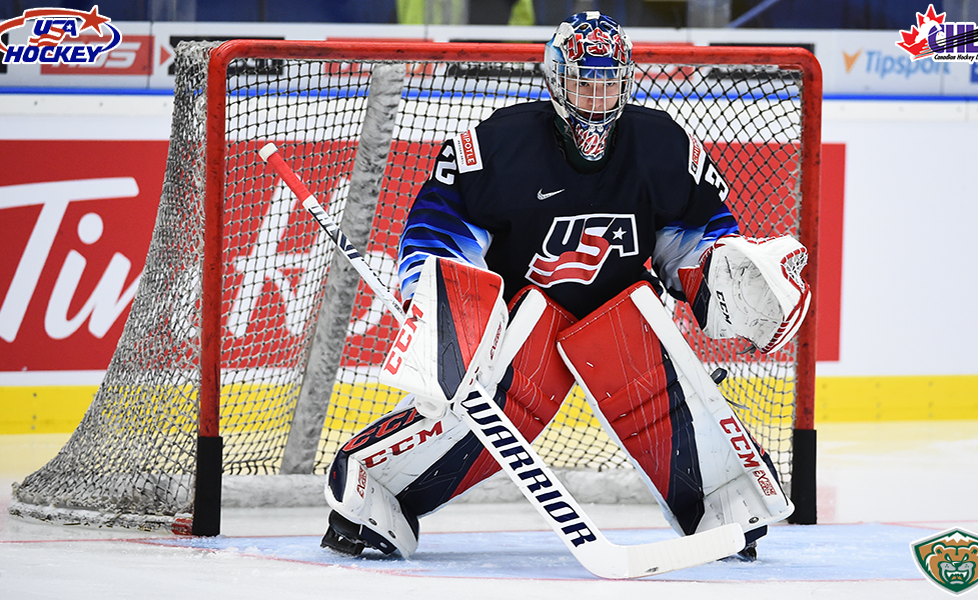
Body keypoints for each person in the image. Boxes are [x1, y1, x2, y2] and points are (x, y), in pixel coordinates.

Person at [321, 11, 808, 563]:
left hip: (621, 314)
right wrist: (439, 305)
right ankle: (375, 491)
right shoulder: (499, 147)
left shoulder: (664, 147)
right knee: (479, 408)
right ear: (556, 81)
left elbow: (692, 237)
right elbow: (438, 228)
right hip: (521, 317)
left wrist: (722, 273)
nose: (597, 99)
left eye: (609, 84)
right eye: (584, 83)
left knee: (661, 368)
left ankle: (725, 496)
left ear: (626, 81)